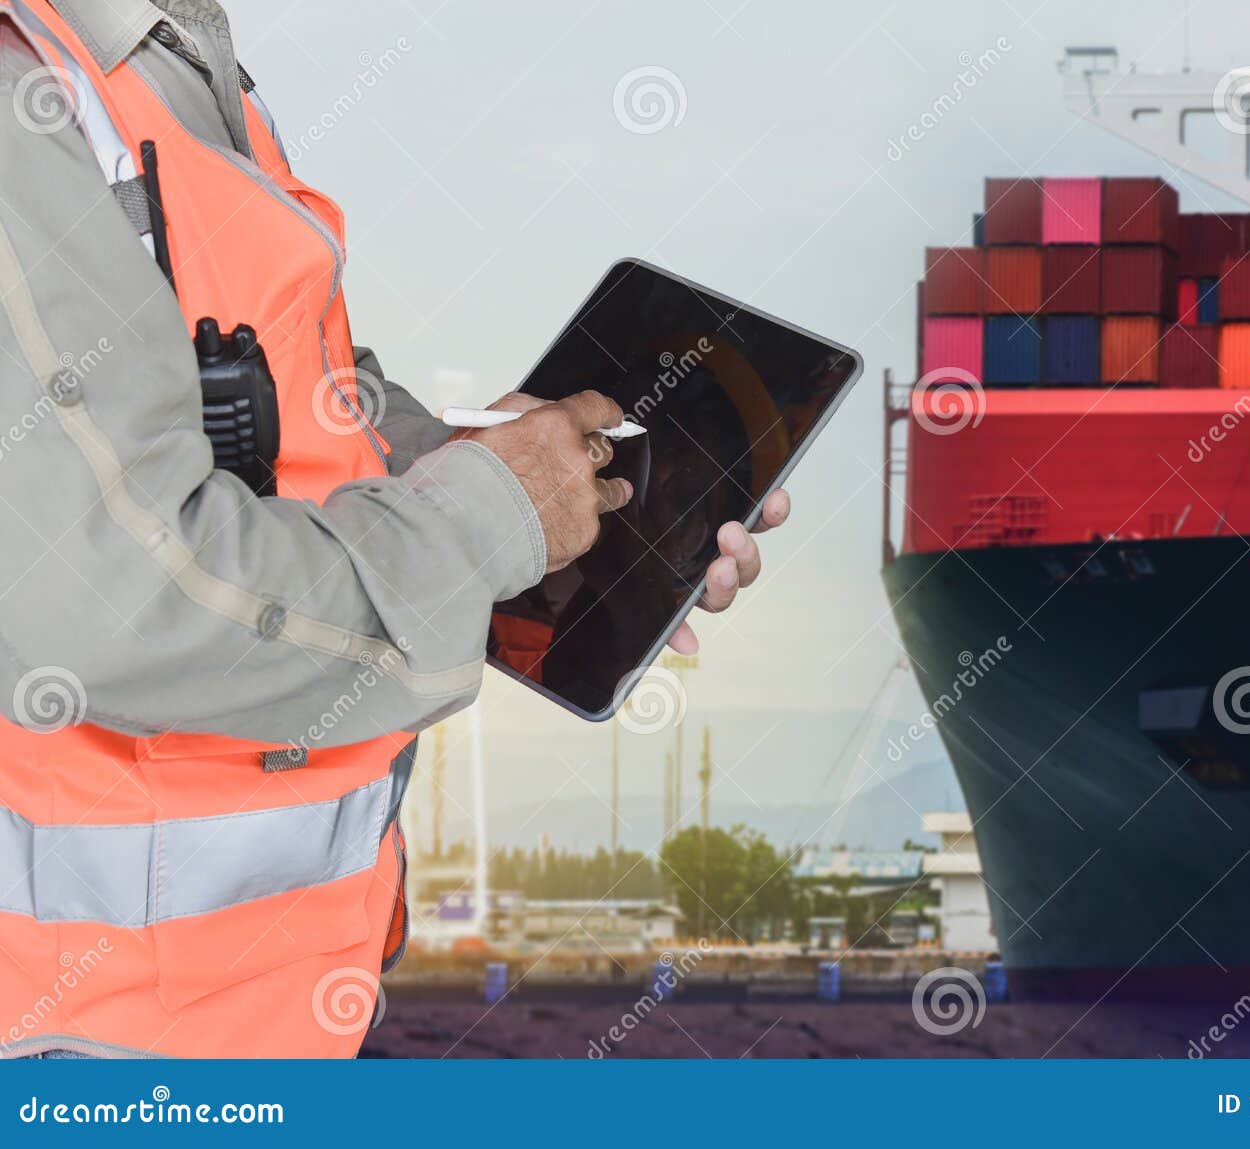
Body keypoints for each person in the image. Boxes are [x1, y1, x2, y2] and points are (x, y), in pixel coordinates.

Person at [0, 0, 788, 1058]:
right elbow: (119, 601)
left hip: (285, 1009)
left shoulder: (168, 57)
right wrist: (485, 515)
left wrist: (507, 477)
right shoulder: (28, 94)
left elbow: (292, 413)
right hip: (85, 1044)